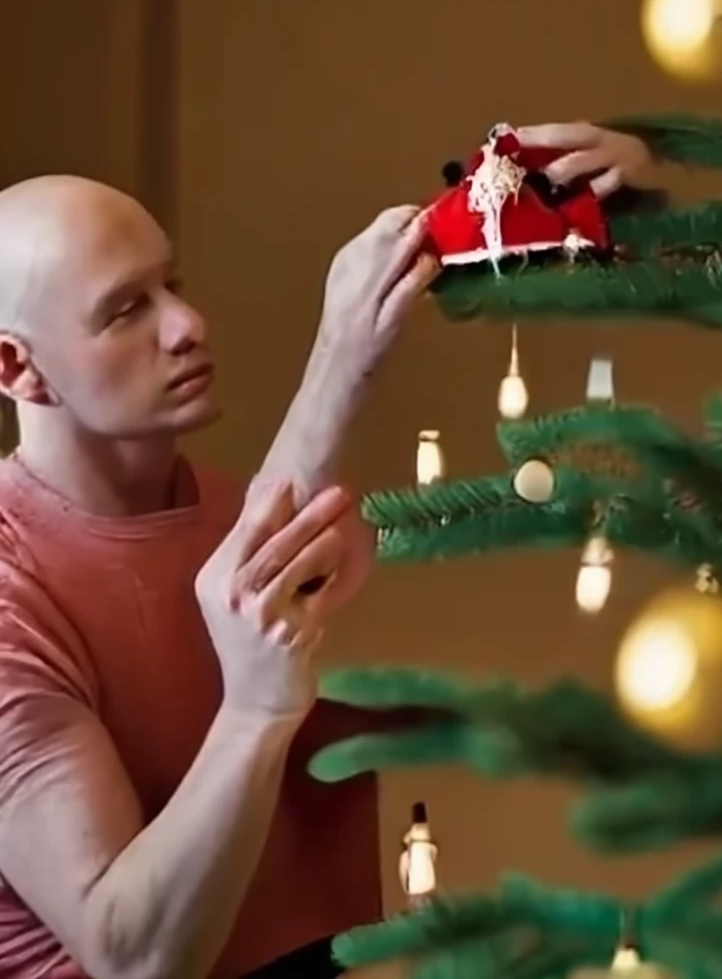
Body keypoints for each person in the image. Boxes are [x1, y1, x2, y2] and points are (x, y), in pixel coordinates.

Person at [0, 122, 653, 979]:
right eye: (127, 310)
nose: (189, 324)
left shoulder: (244, 512)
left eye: (174, 285)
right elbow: (134, 955)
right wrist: (255, 711)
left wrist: (644, 179)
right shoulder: (12, 590)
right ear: (17, 368)